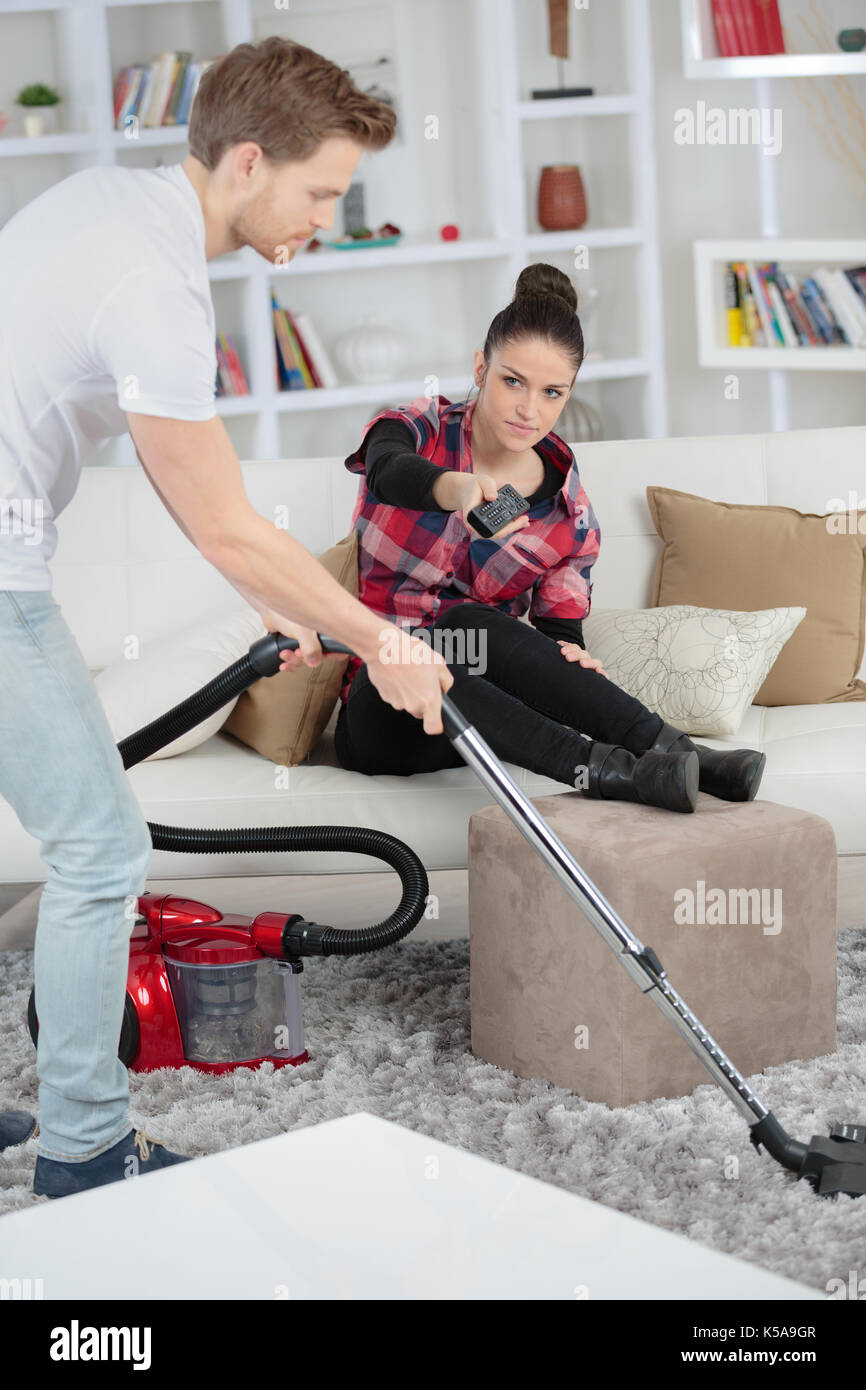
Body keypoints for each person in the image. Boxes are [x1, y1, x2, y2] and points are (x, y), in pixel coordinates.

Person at [0, 36, 451, 1197]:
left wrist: (266, 594)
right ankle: (87, 1152)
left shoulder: (119, 205)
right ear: (248, 161)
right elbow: (223, 520)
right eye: (320, 191)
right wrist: (381, 635)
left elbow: (190, 488)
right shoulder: (158, 286)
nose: (327, 216)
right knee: (102, 850)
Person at [334, 262, 767, 816]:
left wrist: (568, 653)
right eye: (512, 380)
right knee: (440, 637)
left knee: (468, 627)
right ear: (480, 367)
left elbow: (558, 630)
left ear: (570, 393)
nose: (528, 410)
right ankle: (616, 774)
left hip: (484, 709)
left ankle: (680, 755)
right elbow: (386, 469)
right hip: (383, 704)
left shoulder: (569, 511)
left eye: (551, 392)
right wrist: (457, 488)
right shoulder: (419, 426)